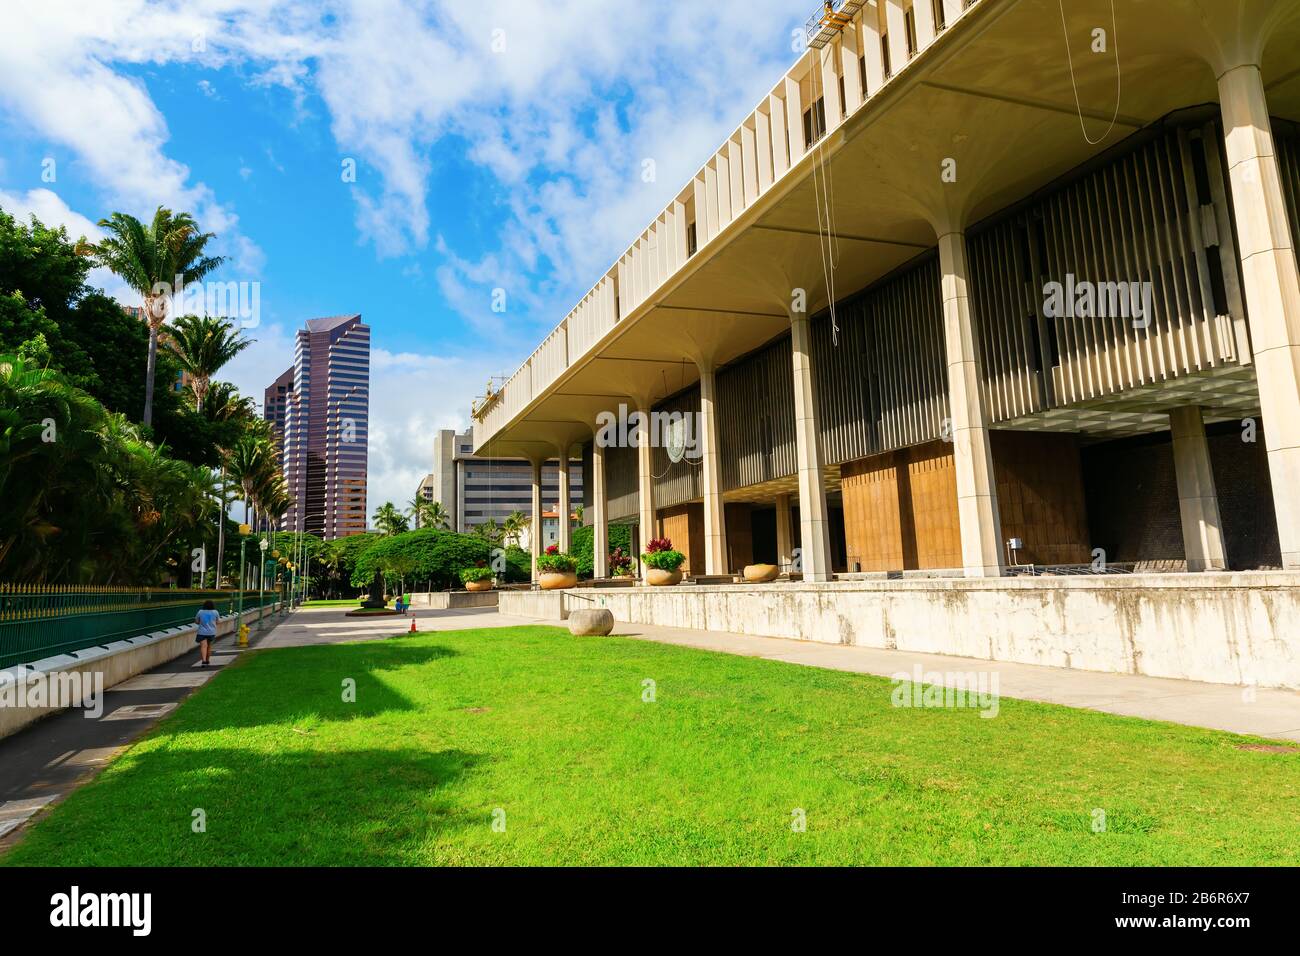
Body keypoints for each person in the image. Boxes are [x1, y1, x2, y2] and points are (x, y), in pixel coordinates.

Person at [194, 599, 219, 667]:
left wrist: (201, 623)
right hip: (211, 632)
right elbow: (217, 622)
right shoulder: (215, 612)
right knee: (209, 646)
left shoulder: (200, 612)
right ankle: (208, 660)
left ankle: (204, 661)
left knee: (203, 646)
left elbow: (196, 621)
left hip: (202, 632)